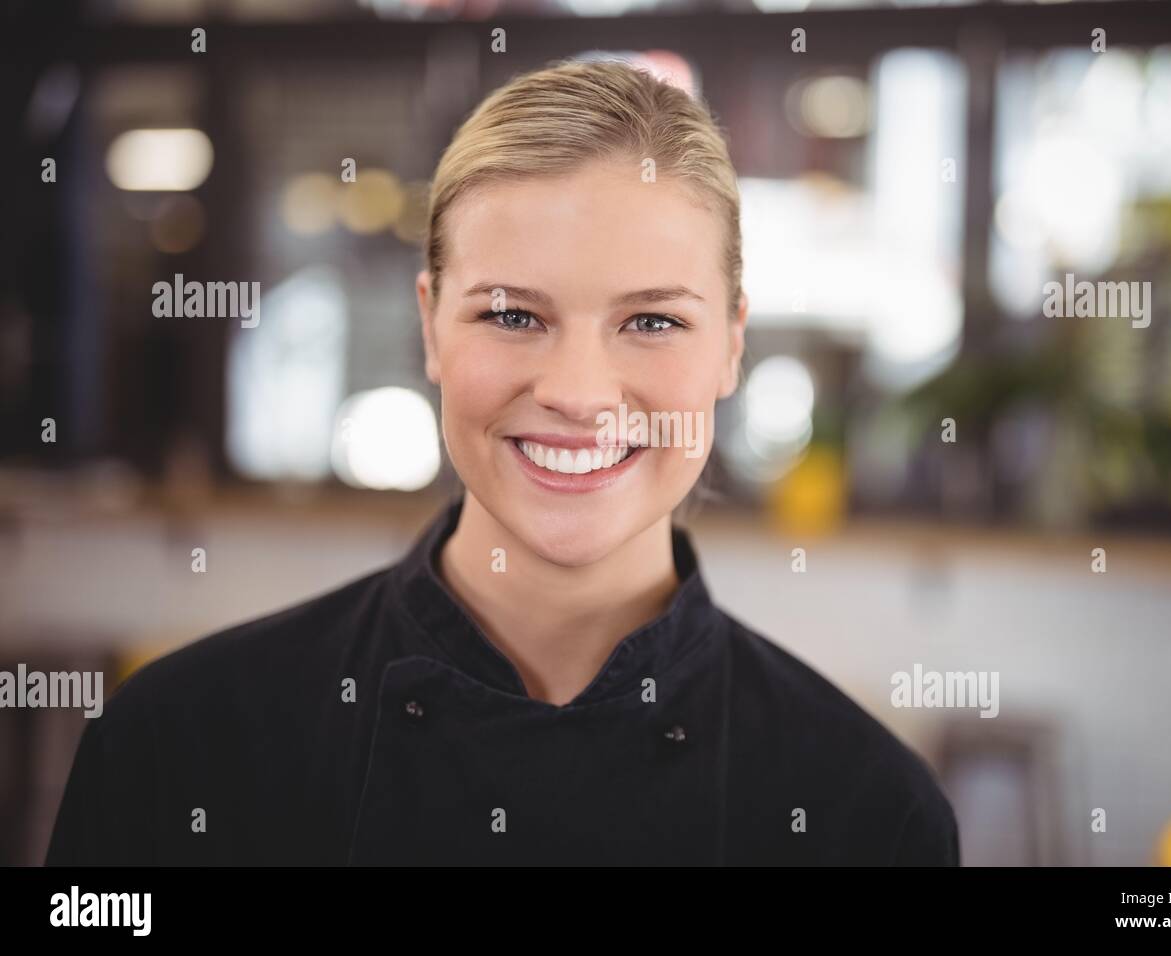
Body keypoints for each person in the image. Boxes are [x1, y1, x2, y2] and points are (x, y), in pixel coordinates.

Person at [46, 58, 958, 866]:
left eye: (652, 321)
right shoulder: (173, 747)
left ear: (730, 346)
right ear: (430, 327)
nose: (578, 393)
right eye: (513, 315)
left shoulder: (869, 815)